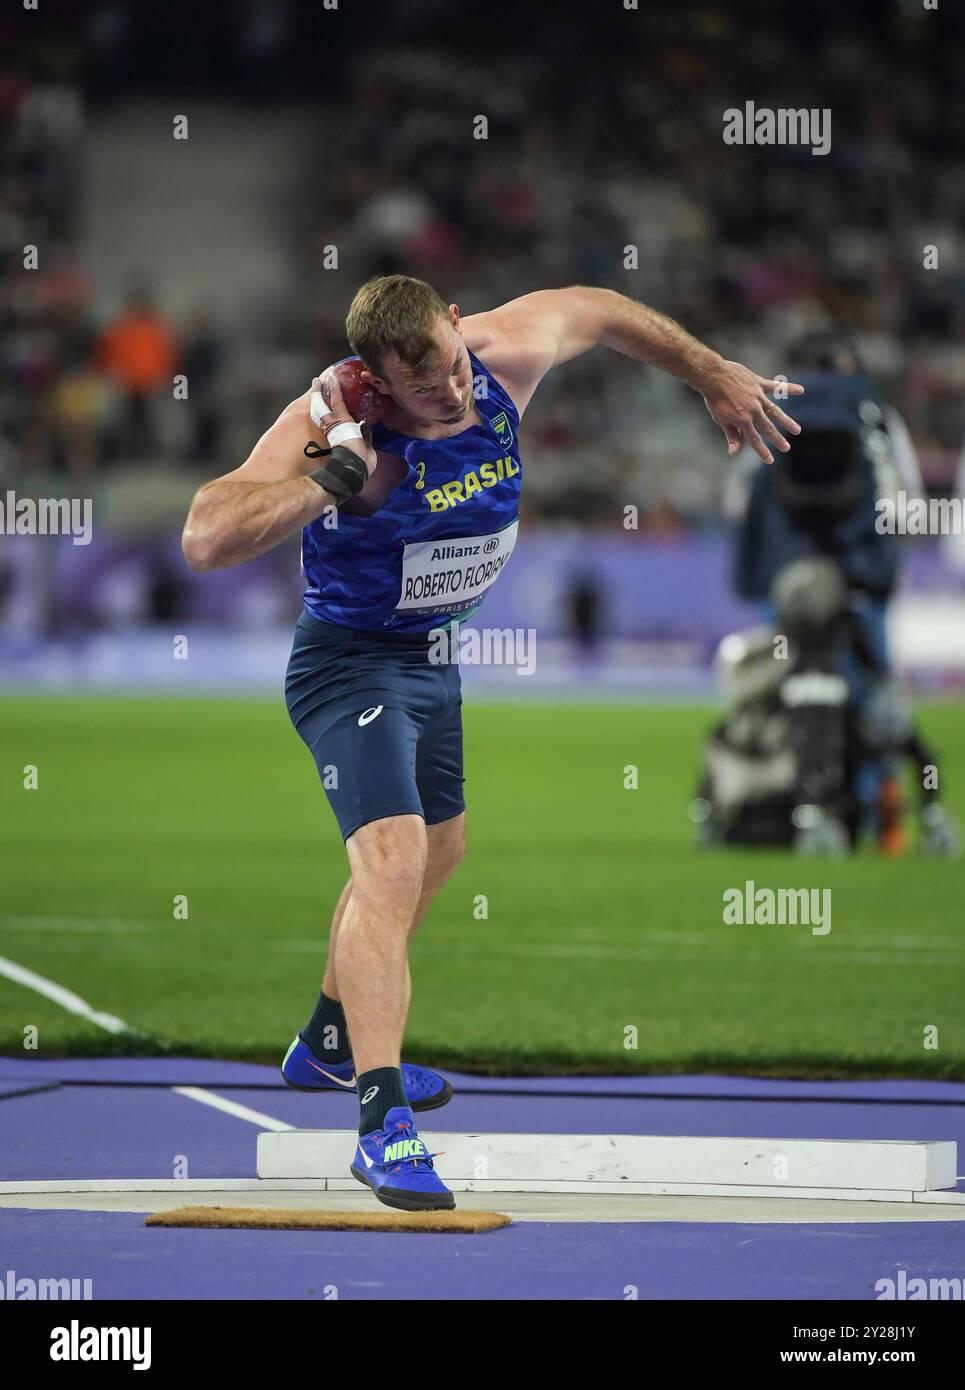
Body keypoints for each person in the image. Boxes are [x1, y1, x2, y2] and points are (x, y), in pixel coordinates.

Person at [181, 274, 803, 1210]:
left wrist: (710, 372)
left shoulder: (499, 354)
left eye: (454, 363)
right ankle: (381, 1121)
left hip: (436, 662)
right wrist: (323, 482)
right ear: (377, 381)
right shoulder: (329, 417)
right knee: (387, 865)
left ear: (458, 325)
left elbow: (600, 310)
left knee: (440, 848)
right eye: (425, 387)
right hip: (350, 666)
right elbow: (204, 536)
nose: (455, 392)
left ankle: (327, 1042)